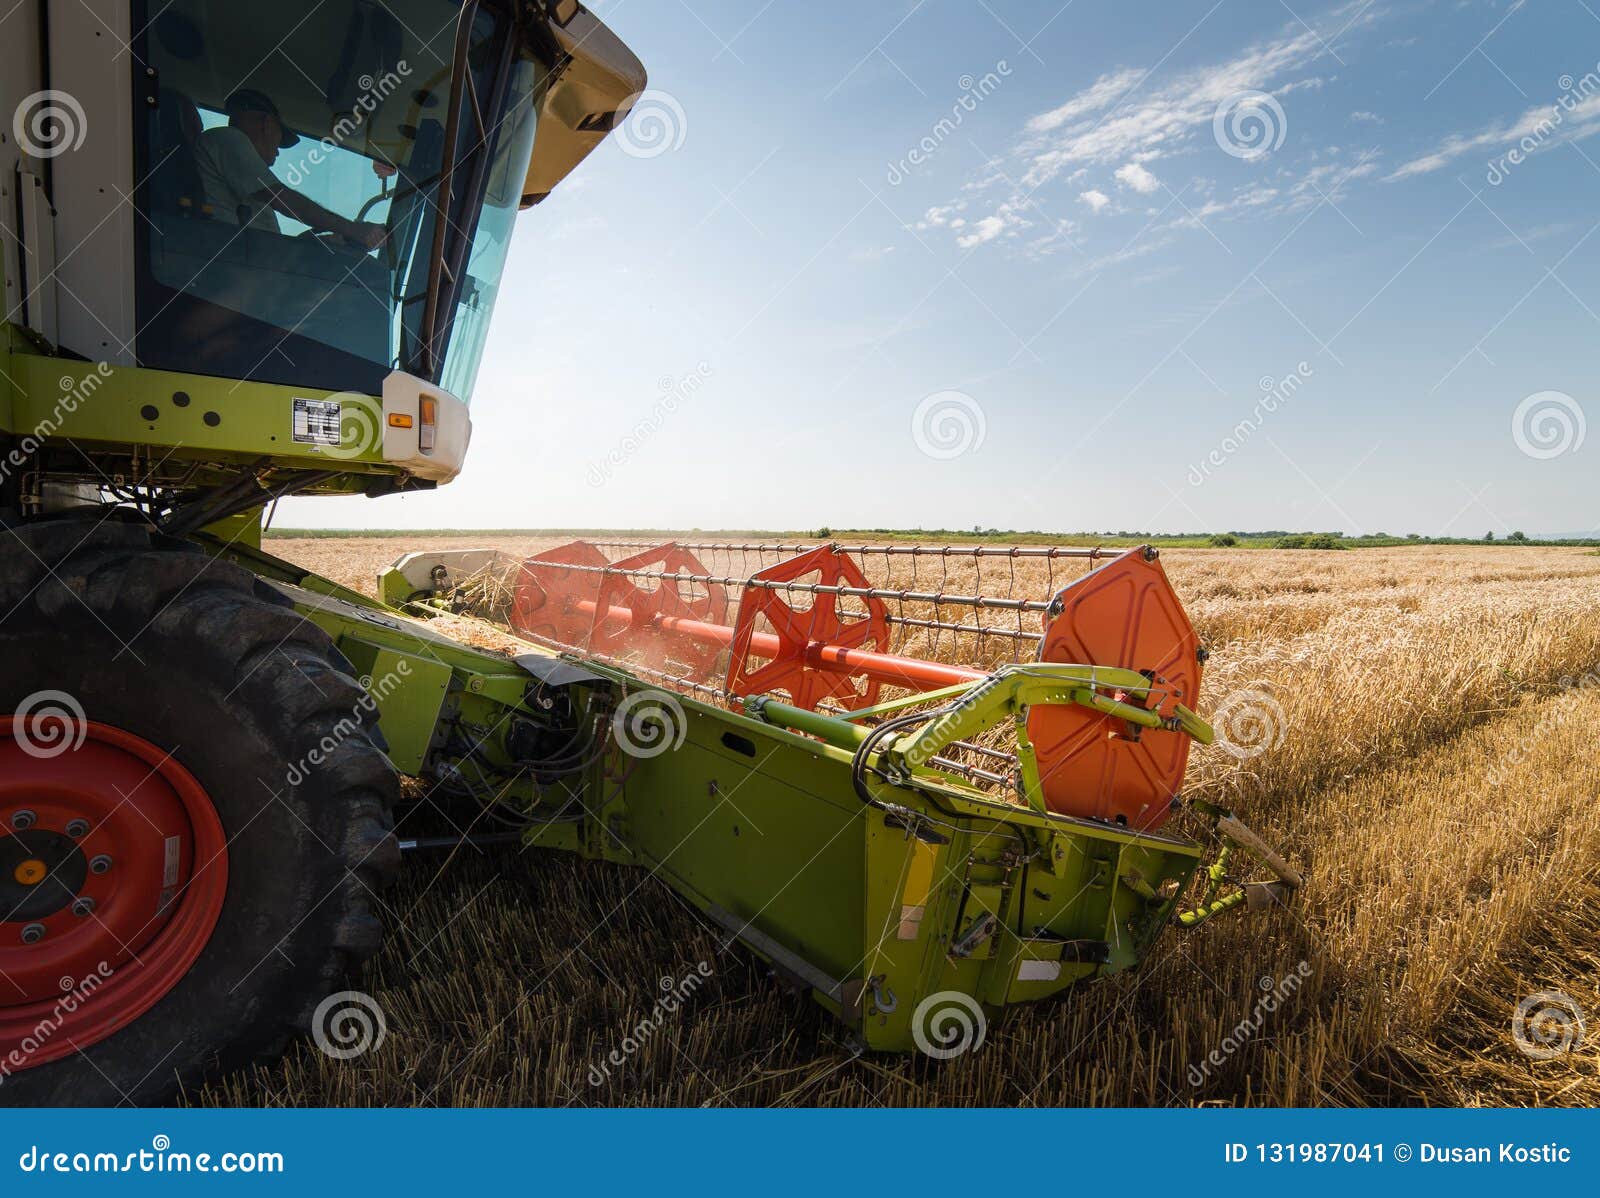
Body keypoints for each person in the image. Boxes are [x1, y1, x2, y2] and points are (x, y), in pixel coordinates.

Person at [193, 89, 386, 249]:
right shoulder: (230, 139)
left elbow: (265, 241)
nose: (277, 153)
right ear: (268, 124)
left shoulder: (236, 170)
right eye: (279, 141)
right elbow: (284, 200)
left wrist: (310, 241)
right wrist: (353, 230)